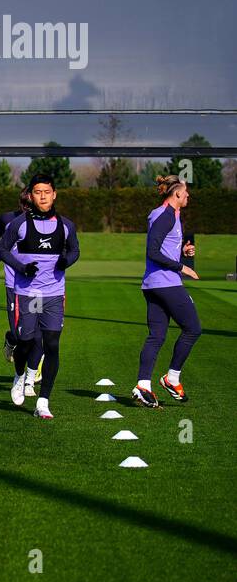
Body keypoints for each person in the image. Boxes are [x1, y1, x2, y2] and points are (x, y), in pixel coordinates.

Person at [0, 174, 79, 420]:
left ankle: (43, 401)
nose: (42, 196)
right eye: (37, 192)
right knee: (25, 341)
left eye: (46, 191)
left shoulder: (66, 225)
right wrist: (22, 267)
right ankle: (20, 375)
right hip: (28, 293)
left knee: (51, 344)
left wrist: (67, 260)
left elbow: (75, 250)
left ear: (54, 194)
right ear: (31, 196)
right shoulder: (19, 224)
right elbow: (2, 249)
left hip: (54, 294)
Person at [132, 174, 201, 408]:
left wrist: (183, 252)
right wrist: (183, 267)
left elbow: (163, 248)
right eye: (186, 192)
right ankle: (171, 378)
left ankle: (143, 386)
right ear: (177, 194)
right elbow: (153, 252)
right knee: (193, 329)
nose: (188, 195)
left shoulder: (166, 214)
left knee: (157, 336)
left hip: (153, 285)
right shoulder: (166, 216)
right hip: (167, 284)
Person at [0, 190, 31, 369]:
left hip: (36, 285)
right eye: (23, 203)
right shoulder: (7, 219)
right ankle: (10, 341)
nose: (26, 207)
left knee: (36, 332)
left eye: (29, 203)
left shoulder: (44, 222)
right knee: (18, 333)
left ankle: (32, 372)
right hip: (13, 283)